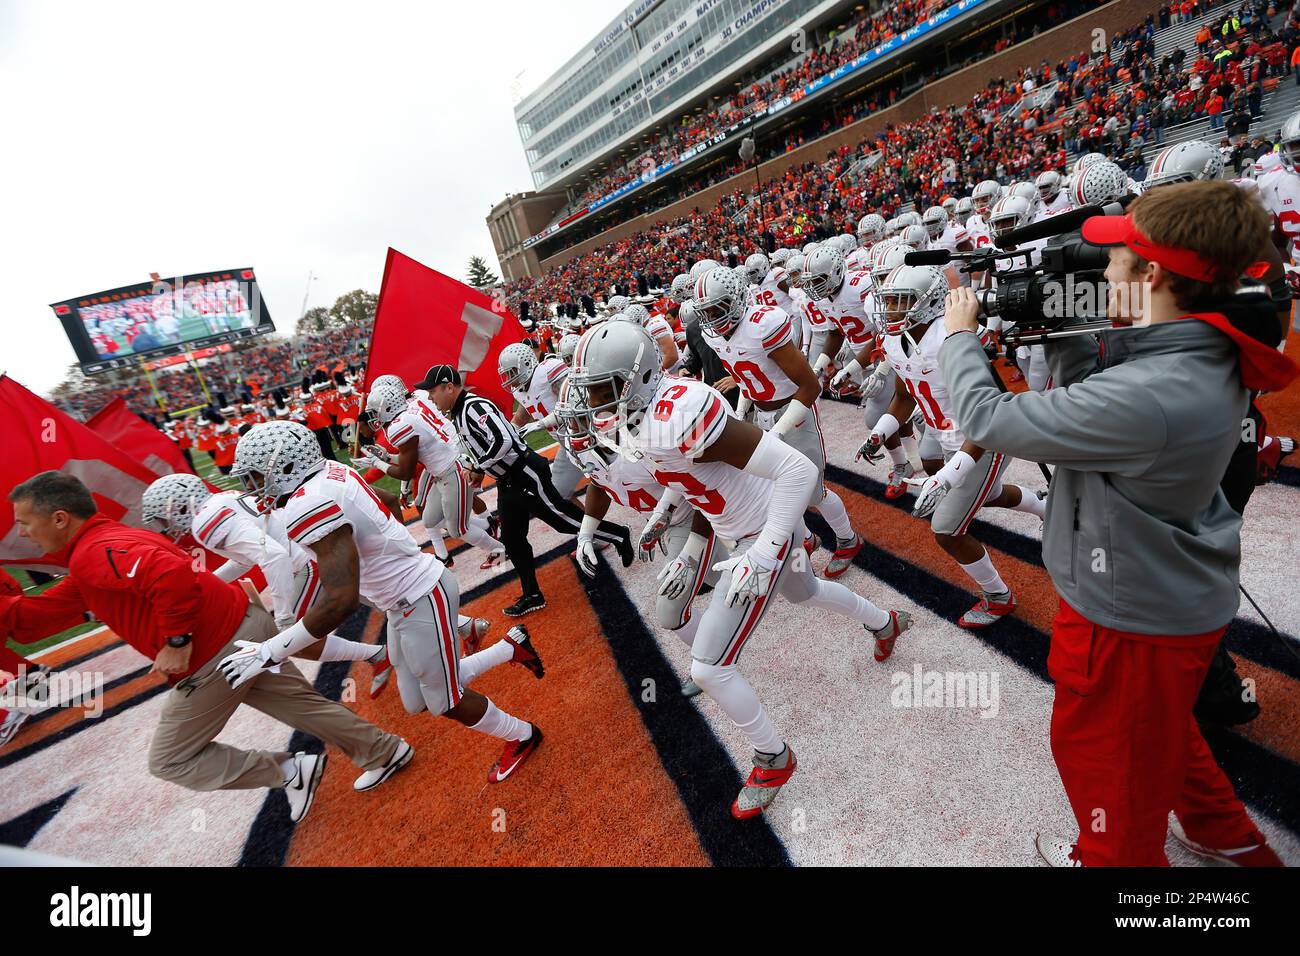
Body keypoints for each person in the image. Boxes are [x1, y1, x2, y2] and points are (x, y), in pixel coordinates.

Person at [937, 181, 1295, 867]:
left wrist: (959, 334)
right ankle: (1228, 835)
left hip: (1126, 619)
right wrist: (1078, 324)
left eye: (1117, 262)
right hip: (1163, 599)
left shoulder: (1151, 394)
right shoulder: (1199, 342)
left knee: (1103, 764)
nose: (1101, 275)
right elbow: (1105, 379)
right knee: (1159, 734)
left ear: (1154, 275)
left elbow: (988, 418)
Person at [571, 319, 913, 821]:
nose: (592, 403)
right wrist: (661, 515)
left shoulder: (678, 413)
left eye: (600, 388)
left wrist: (763, 549)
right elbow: (686, 475)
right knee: (806, 592)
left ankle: (773, 758)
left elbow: (797, 471)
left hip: (764, 528)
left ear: (638, 378)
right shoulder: (643, 417)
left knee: (709, 666)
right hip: (747, 527)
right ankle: (885, 622)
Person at [3, 471, 404, 822]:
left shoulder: (94, 552)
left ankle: (289, 772)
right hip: (242, 623)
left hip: (213, 651)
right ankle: (384, 751)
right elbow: (28, 620)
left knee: (170, 759)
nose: (21, 532)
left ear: (59, 518)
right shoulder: (101, 545)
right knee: (303, 705)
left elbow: (170, 573)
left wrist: (177, 640)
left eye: (24, 522)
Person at [231, 421, 548, 783]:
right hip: (404, 598)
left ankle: (522, 734)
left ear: (286, 468)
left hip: (418, 594)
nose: (253, 487)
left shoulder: (310, 502)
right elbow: (390, 501)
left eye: (257, 476)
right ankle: (511, 648)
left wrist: (270, 651)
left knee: (445, 701)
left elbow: (341, 601)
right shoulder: (331, 473)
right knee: (418, 699)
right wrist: (391, 554)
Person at [421, 364, 634, 617]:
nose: (431, 398)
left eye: (433, 391)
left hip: (524, 472)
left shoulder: (473, 406)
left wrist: (479, 466)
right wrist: (473, 465)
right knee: (512, 539)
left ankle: (618, 534)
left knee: (562, 519)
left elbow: (504, 441)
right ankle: (532, 594)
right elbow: (482, 446)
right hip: (508, 480)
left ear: (449, 387)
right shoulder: (458, 413)